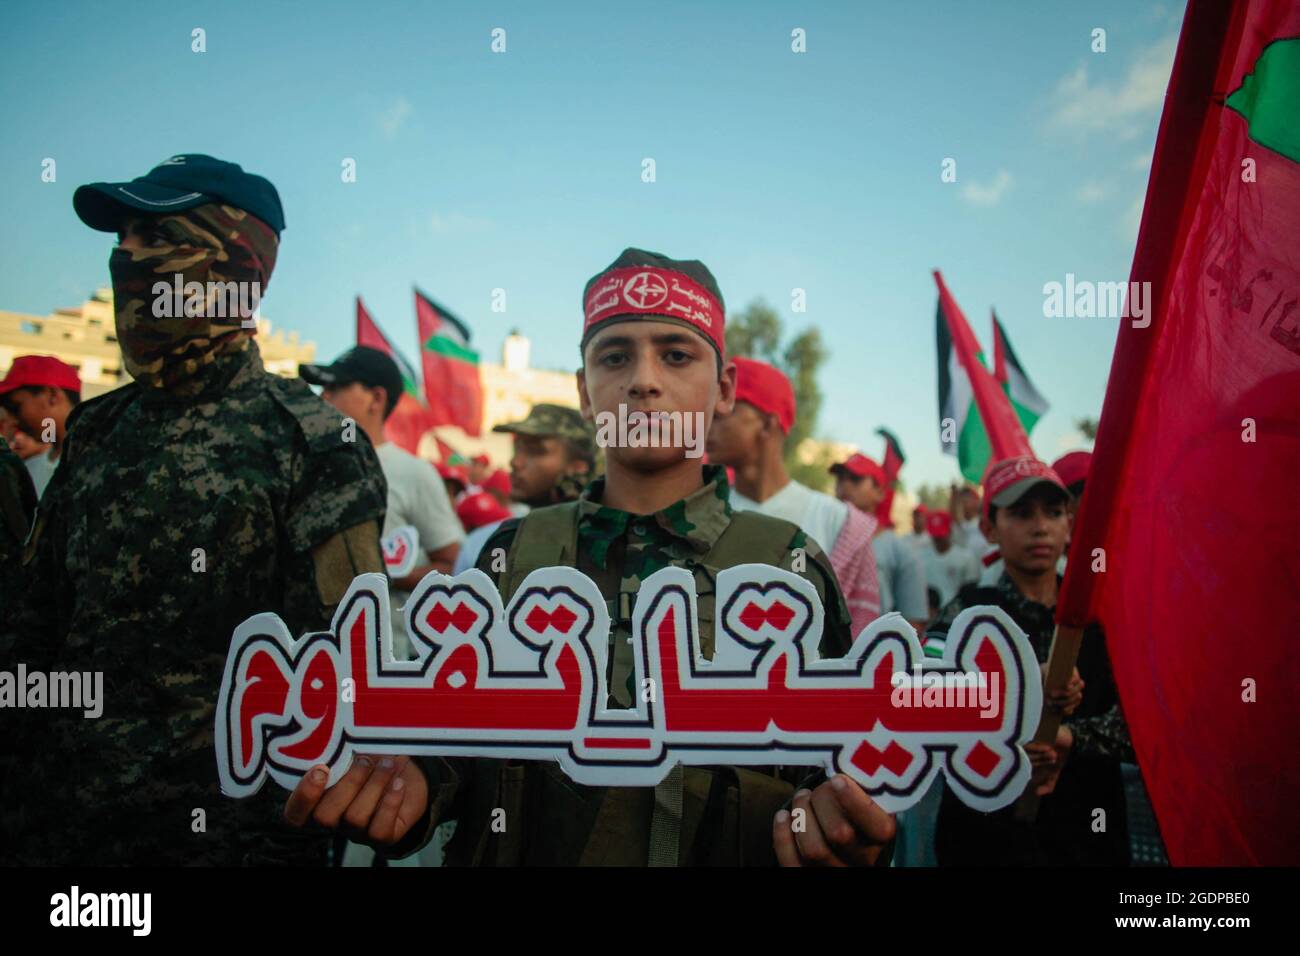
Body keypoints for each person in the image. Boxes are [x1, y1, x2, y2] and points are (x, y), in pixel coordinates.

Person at [284, 247, 896, 866]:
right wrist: (412, 788)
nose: (643, 380)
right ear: (584, 391)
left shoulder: (786, 566)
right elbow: (446, 738)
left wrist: (839, 825)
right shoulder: (508, 555)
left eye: (676, 354)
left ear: (725, 390)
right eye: (614, 356)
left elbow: (840, 757)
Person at [1, 154, 396, 866]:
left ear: (231, 265)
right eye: (121, 239)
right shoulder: (97, 429)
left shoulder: (310, 442)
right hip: (61, 837)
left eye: (153, 239)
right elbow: (35, 631)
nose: (125, 257)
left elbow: (339, 684)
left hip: (230, 848)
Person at [926, 455, 1132, 866]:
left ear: (1070, 523)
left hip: (1088, 835)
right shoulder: (968, 614)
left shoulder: (1102, 615)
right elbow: (923, 697)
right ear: (989, 529)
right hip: (985, 838)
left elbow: (1141, 728)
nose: (1040, 527)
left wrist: (1069, 739)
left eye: (1053, 512)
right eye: (1020, 514)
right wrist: (1012, 692)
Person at [303, 345, 464, 661]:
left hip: (382, 665)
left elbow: (453, 567)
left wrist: (376, 574)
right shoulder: (304, 467)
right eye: (323, 387)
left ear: (376, 399)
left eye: (336, 388)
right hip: (307, 660)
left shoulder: (412, 472)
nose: (324, 397)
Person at [707, 357, 881, 635]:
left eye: (723, 413)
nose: (707, 424)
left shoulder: (841, 523)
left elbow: (858, 644)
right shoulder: (701, 513)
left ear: (766, 425)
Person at [832, 453, 927, 630]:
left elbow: (914, 622)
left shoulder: (901, 551)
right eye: (840, 479)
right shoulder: (824, 539)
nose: (844, 485)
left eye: (855, 479)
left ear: (880, 493)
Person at [0, 356, 82, 498]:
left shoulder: (101, 461)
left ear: (52, 396)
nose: (13, 421)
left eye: (16, 407)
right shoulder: (29, 469)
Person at [920, 509, 979, 608]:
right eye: (934, 534)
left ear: (950, 531)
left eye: (940, 534)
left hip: (957, 612)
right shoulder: (920, 557)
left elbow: (971, 590)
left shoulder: (966, 557)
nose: (937, 538)